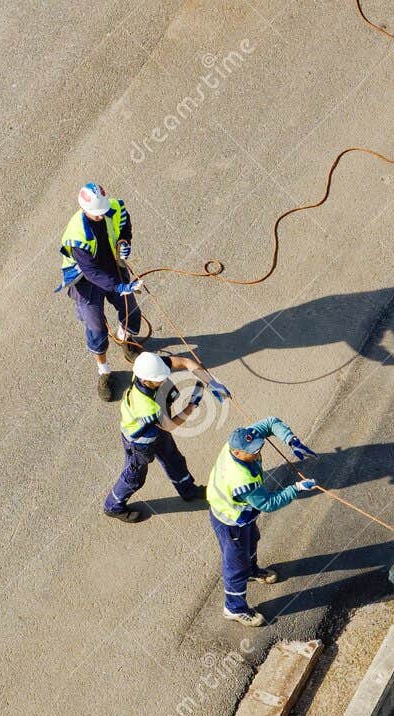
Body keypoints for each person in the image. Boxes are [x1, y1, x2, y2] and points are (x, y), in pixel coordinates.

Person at [207, 420, 317, 625]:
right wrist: (297, 489)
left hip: (244, 518)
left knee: (252, 542)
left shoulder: (240, 441)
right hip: (231, 522)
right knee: (235, 565)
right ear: (238, 453)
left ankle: (252, 570)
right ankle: (234, 608)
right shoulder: (241, 479)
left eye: (258, 446)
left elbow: (270, 422)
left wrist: (291, 440)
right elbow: (268, 503)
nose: (258, 451)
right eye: (253, 450)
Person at [104, 351, 231, 523]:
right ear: (146, 380)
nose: (164, 379)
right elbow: (169, 425)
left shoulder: (149, 368)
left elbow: (186, 362)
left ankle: (188, 490)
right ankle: (113, 506)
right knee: (135, 477)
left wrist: (211, 382)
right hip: (139, 441)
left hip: (157, 432)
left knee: (174, 460)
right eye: (160, 379)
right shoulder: (146, 405)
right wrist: (192, 404)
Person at [58, 182, 144, 400]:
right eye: (96, 214)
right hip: (86, 281)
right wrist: (119, 286)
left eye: (103, 211)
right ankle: (104, 371)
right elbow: (91, 272)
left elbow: (125, 226)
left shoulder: (113, 208)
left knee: (131, 310)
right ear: (84, 210)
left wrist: (125, 241)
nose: (101, 215)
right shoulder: (77, 235)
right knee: (96, 328)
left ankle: (125, 341)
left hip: (112, 268)